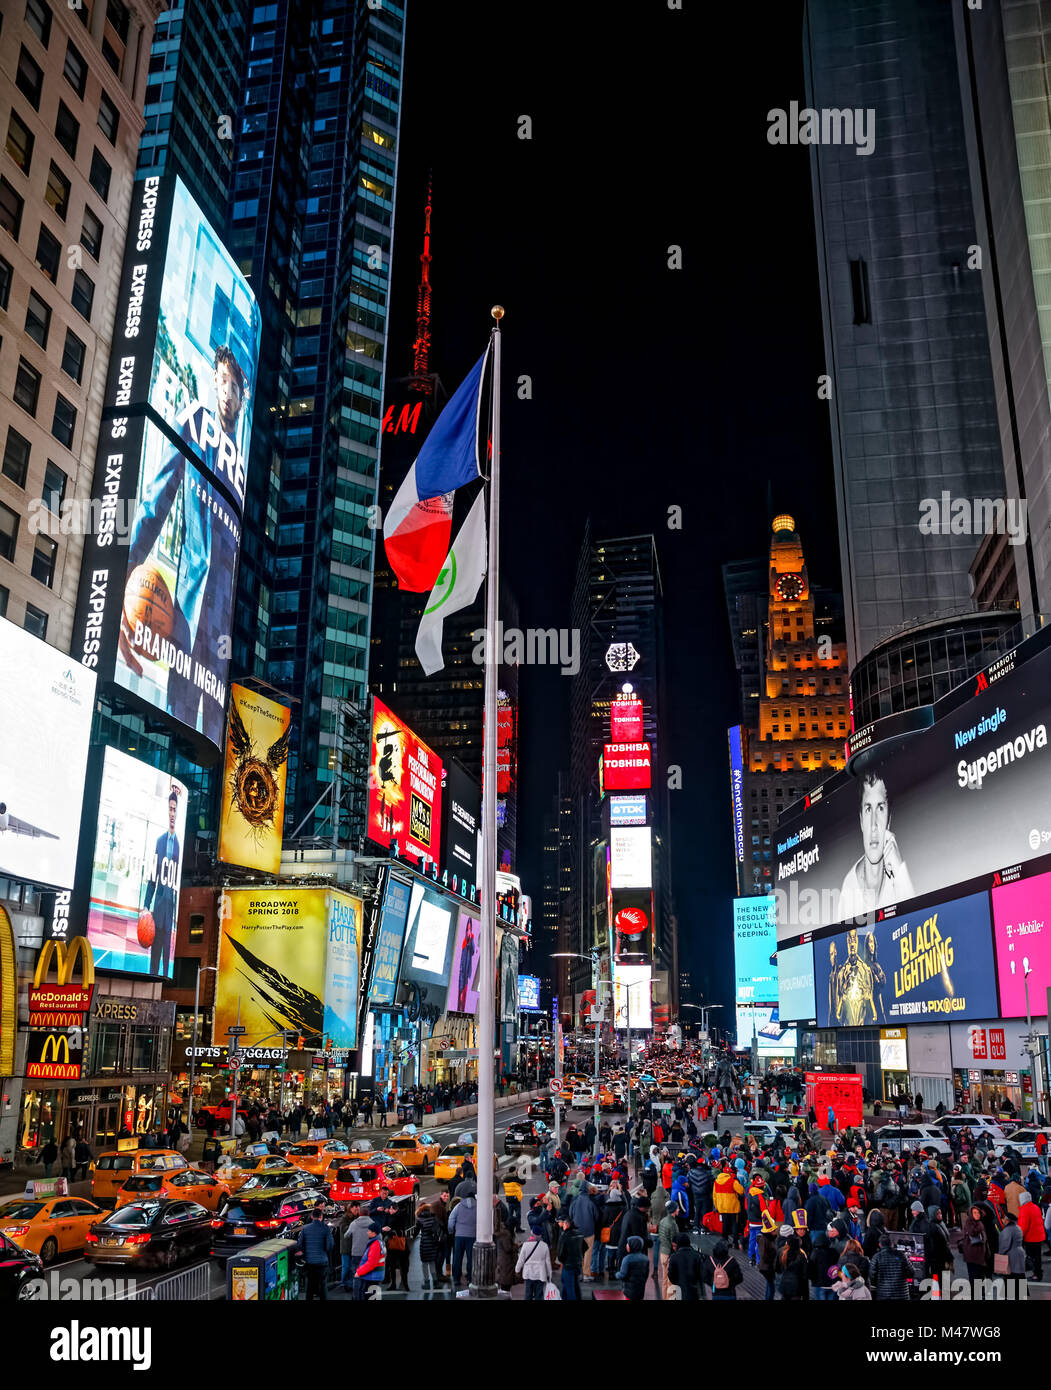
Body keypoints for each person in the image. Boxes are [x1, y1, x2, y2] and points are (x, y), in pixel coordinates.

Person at [120, 346, 250, 747]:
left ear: (244, 401)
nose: (228, 393)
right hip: (187, 621)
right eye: (224, 382)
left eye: (236, 388)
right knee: (171, 735)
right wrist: (121, 574)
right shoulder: (195, 423)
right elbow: (155, 502)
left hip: (223, 643)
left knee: (209, 748)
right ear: (214, 382)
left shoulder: (243, 474)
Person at [838, 770, 915, 919]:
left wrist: (900, 874)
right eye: (868, 809)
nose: (873, 825)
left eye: (880, 808)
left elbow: (918, 928)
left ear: (889, 818)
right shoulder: (849, 889)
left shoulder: (898, 877)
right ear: (861, 820)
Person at [296, 1208, 334, 1300]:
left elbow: (300, 1244)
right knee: (323, 1285)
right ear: (321, 1217)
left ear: (312, 1217)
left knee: (310, 1285)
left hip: (309, 1262)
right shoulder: (326, 1228)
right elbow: (330, 1245)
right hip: (322, 1261)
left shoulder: (305, 1229)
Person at [448, 1179, 477, 1287]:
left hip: (459, 1236)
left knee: (457, 1258)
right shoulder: (479, 1207)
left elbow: (451, 1220)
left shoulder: (458, 1206)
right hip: (472, 1236)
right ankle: (470, 1278)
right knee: (471, 1258)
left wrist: (451, 1231)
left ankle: (456, 1278)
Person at [868, 1234, 911, 1300]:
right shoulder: (901, 1255)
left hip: (883, 1294)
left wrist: (879, 1283)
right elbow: (911, 1272)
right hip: (902, 1294)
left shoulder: (876, 1257)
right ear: (891, 1244)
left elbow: (872, 1275)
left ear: (879, 1245)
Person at [340, 1201, 370, 1292]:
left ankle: (352, 1284)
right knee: (346, 1266)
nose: (357, 1211)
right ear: (351, 1208)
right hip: (346, 1247)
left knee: (354, 1268)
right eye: (355, 1209)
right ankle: (344, 1283)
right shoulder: (345, 1218)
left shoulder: (358, 1218)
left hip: (356, 1247)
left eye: (358, 1209)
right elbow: (344, 1230)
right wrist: (354, 1225)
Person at [516, 1227, 552, 1299]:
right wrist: (549, 1275)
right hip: (540, 1275)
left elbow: (521, 1260)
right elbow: (548, 1262)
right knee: (539, 1295)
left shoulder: (526, 1245)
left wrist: (517, 1270)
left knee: (528, 1295)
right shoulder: (544, 1246)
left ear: (532, 1234)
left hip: (528, 1274)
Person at [353, 1222, 386, 1300]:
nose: (367, 1232)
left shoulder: (375, 1244)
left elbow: (371, 1263)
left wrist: (359, 1272)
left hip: (372, 1277)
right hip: (375, 1276)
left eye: (369, 1231)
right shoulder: (378, 1242)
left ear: (374, 1233)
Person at [961, 1205, 990, 1290]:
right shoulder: (969, 1223)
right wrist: (980, 1227)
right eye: (974, 1213)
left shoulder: (979, 1223)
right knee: (974, 1277)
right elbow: (972, 1232)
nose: (977, 1214)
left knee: (980, 1276)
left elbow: (984, 1240)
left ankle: (980, 1292)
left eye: (978, 1213)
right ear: (970, 1214)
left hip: (980, 1256)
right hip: (972, 1257)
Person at [1017, 1191, 1044, 1282]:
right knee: (1037, 1257)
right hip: (1038, 1236)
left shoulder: (1025, 1209)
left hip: (1031, 1238)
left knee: (1031, 1257)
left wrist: (1019, 1237)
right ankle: (1038, 1272)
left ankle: (1036, 1274)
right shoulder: (1035, 1207)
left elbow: (1023, 1226)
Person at [556, 1215, 584, 1300]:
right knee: (576, 1285)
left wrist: (562, 1261)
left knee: (569, 1288)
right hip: (577, 1264)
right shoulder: (579, 1234)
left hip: (568, 1265)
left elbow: (560, 1253)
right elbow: (584, 1247)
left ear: (567, 1224)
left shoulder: (564, 1235)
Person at [616, 1235, 650, 1301]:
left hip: (629, 1290)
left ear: (633, 1245)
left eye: (628, 1243)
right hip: (641, 1289)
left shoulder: (627, 1259)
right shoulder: (646, 1259)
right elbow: (646, 1274)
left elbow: (622, 1274)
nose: (626, 1245)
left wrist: (617, 1274)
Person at [777, 1232, 809, 1301]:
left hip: (784, 1284)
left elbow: (776, 1268)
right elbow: (805, 1274)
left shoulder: (781, 1252)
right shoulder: (801, 1255)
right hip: (797, 1287)